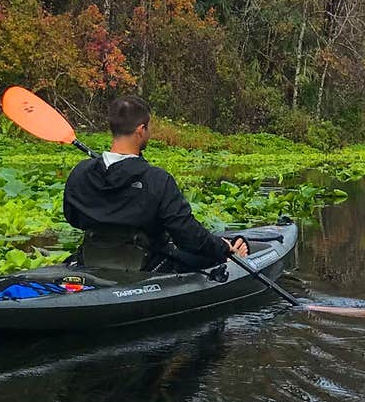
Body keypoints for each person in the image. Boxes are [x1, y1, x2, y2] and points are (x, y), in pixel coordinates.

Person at [64, 95, 250, 275]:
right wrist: (224, 248)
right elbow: (188, 237)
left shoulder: (80, 172)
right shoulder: (158, 180)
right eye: (149, 127)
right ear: (141, 130)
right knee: (207, 256)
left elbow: (73, 218)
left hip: (91, 258)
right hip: (147, 266)